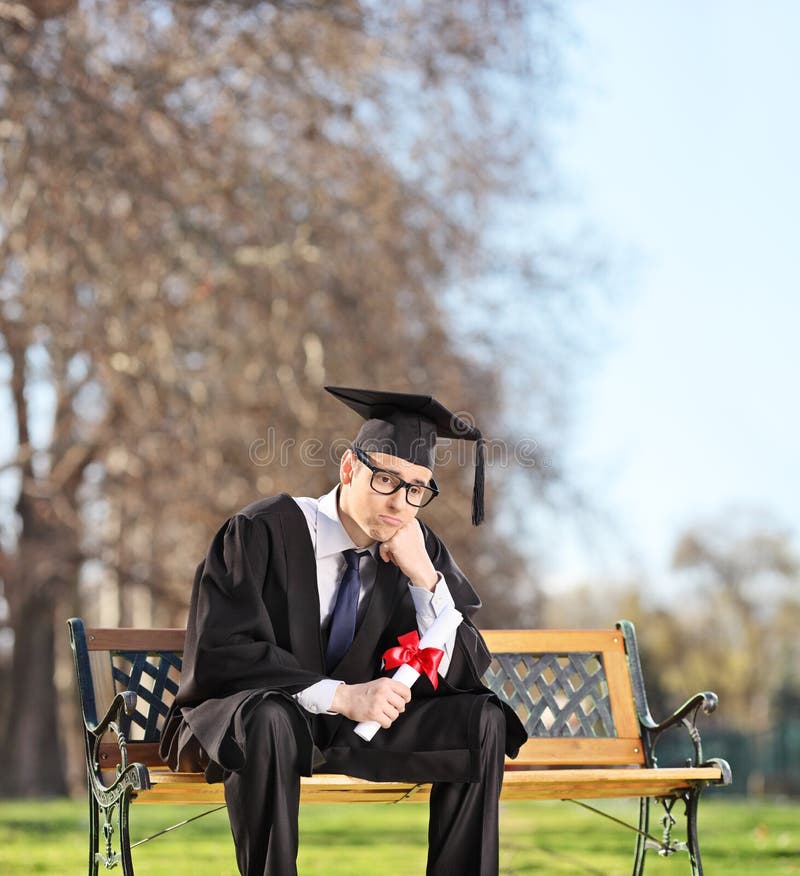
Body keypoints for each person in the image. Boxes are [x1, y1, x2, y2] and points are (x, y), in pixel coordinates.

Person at [160, 386, 527, 876]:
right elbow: (222, 653)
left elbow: (464, 670)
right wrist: (341, 695)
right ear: (349, 469)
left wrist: (427, 581)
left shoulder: (417, 550)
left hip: (351, 735)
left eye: (417, 489)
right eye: (386, 480)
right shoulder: (262, 530)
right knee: (270, 717)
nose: (400, 503)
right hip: (249, 725)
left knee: (483, 718)